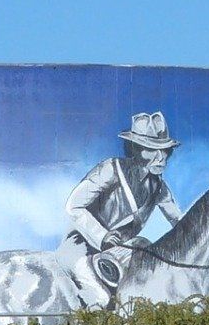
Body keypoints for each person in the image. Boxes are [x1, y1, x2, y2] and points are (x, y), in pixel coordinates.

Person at [61, 112, 182, 305]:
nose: (161, 158)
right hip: (83, 249)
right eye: (152, 150)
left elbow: (179, 221)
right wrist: (102, 235)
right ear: (136, 149)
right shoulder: (110, 169)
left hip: (119, 258)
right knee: (99, 298)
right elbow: (73, 205)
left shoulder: (159, 188)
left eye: (166, 151)